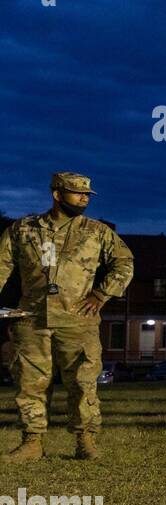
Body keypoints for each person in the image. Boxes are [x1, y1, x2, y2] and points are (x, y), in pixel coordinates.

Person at [0, 173, 134, 462]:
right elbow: (1, 266)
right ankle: (32, 442)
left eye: (87, 194)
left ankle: (85, 441)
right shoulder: (22, 229)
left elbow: (124, 261)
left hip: (78, 320)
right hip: (31, 319)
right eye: (77, 192)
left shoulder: (97, 231)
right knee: (30, 383)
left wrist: (101, 295)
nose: (84, 197)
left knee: (83, 382)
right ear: (57, 194)